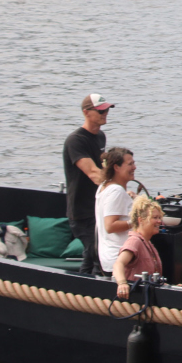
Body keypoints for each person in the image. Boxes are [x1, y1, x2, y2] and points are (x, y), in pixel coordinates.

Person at [63, 93, 114, 275]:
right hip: (81, 211)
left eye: (106, 109)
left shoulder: (100, 137)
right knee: (95, 250)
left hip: (98, 206)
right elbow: (94, 173)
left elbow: (104, 168)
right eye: (100, 110)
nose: (105, 113)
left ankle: (80, 287)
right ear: (86, 112)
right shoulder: (76, 141)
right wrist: (118, 188)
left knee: (93, 253)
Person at [94, 147, 135, 275]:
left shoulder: (104, 186)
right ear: (116, 167)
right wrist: (137, 222)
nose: (134, 167)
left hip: (109, 257)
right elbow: (110, 226)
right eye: (130, 164)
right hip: (120, 259)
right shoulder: (116, 191)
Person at [113, 196, 163, 299]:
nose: (159, 221)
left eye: (159, 217)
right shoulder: (134, 241)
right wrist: (122, 283)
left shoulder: (148, 243)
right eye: (155, 218)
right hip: (135, 298)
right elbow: (118, 264)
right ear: (141, 220)